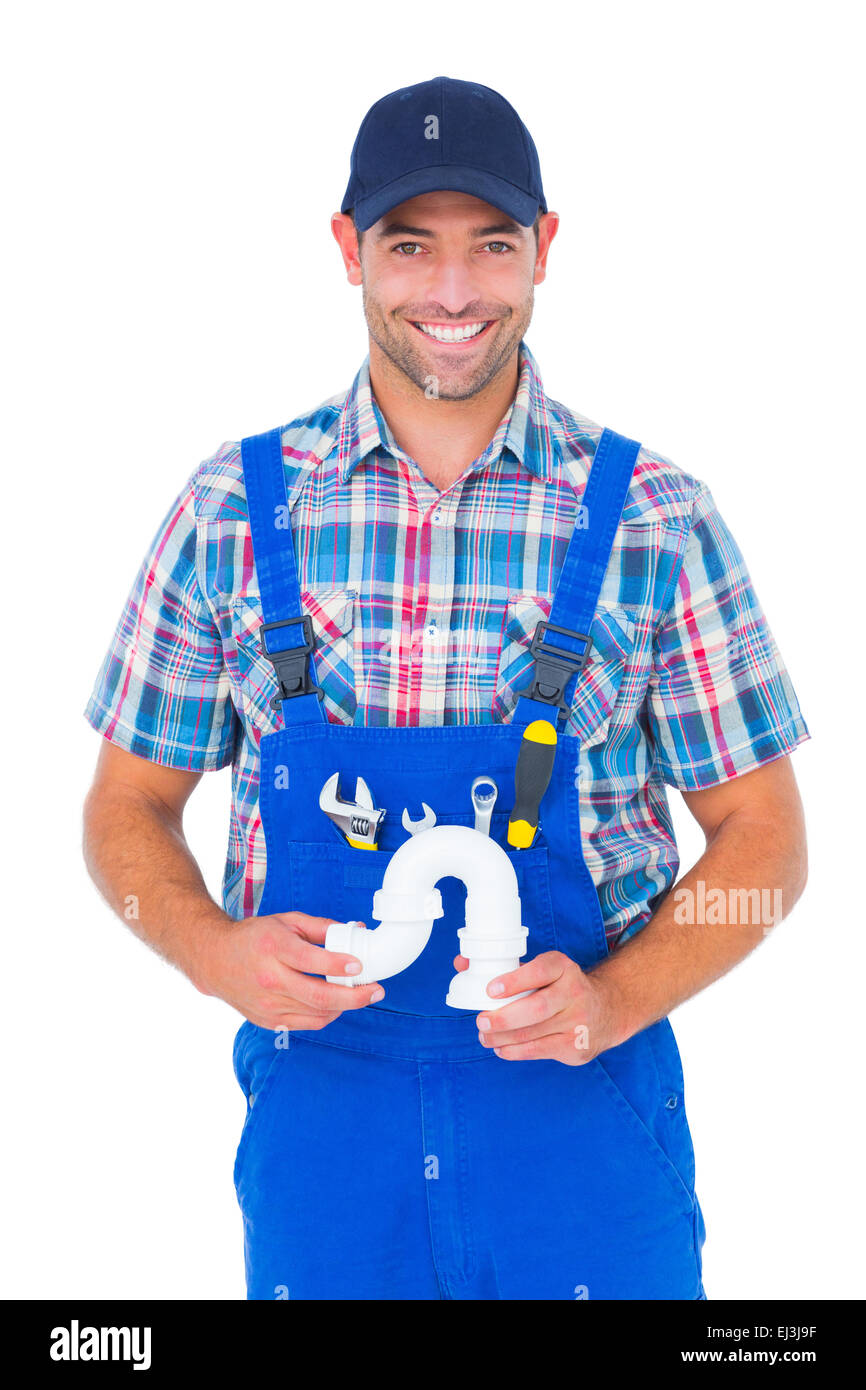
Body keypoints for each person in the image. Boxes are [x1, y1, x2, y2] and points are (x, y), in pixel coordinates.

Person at [82, 76, 809, 1300]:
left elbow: (767, 847)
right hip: (324, 1140)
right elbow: (121, 812)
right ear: (348, 250)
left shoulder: (651, 518)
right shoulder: (231, 508)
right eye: (410, 247)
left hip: (584, 1126)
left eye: (492, 246)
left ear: (544, 252)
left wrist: (614, 999)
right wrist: (211, 953)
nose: (454, 293)